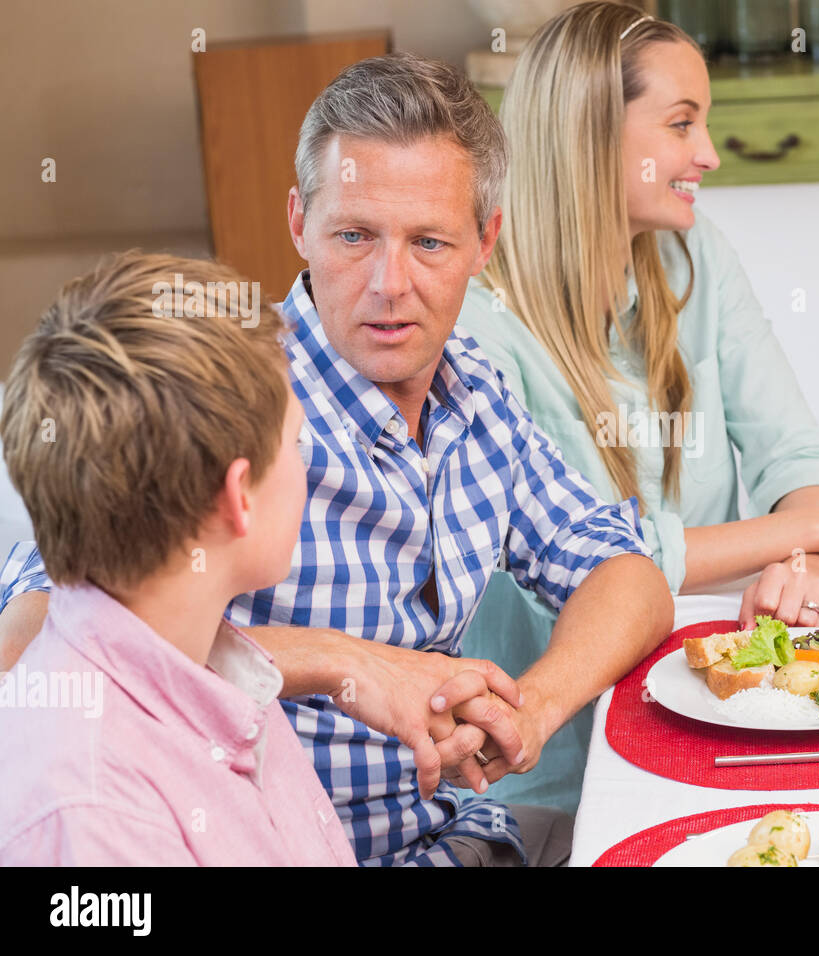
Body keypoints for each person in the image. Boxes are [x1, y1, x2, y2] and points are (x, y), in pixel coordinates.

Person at [0, 53, 674, 867]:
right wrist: (339, 662)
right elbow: (54, 639)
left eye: (428, 241)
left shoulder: (478, 390)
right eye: (354, 235)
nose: (389, 283)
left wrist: (531, 709)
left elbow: (623, 565)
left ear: (485, 240)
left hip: (462, 831)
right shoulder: (229, 401)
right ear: (300, 223)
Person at [456, 2, 819, 811]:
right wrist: (816, 529)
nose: (706, 154)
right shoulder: (477, 321)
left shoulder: (693, 252)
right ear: (590, 134)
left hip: (721, 707)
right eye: (680, 125)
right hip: (551, 767)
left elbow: (796, 454)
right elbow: (599, 562)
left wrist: (802, 576)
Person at [0, 252, 355, 865]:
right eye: (295, 443)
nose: (308, 469)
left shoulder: (218, 670)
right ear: (238, 496)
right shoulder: (94, 818)